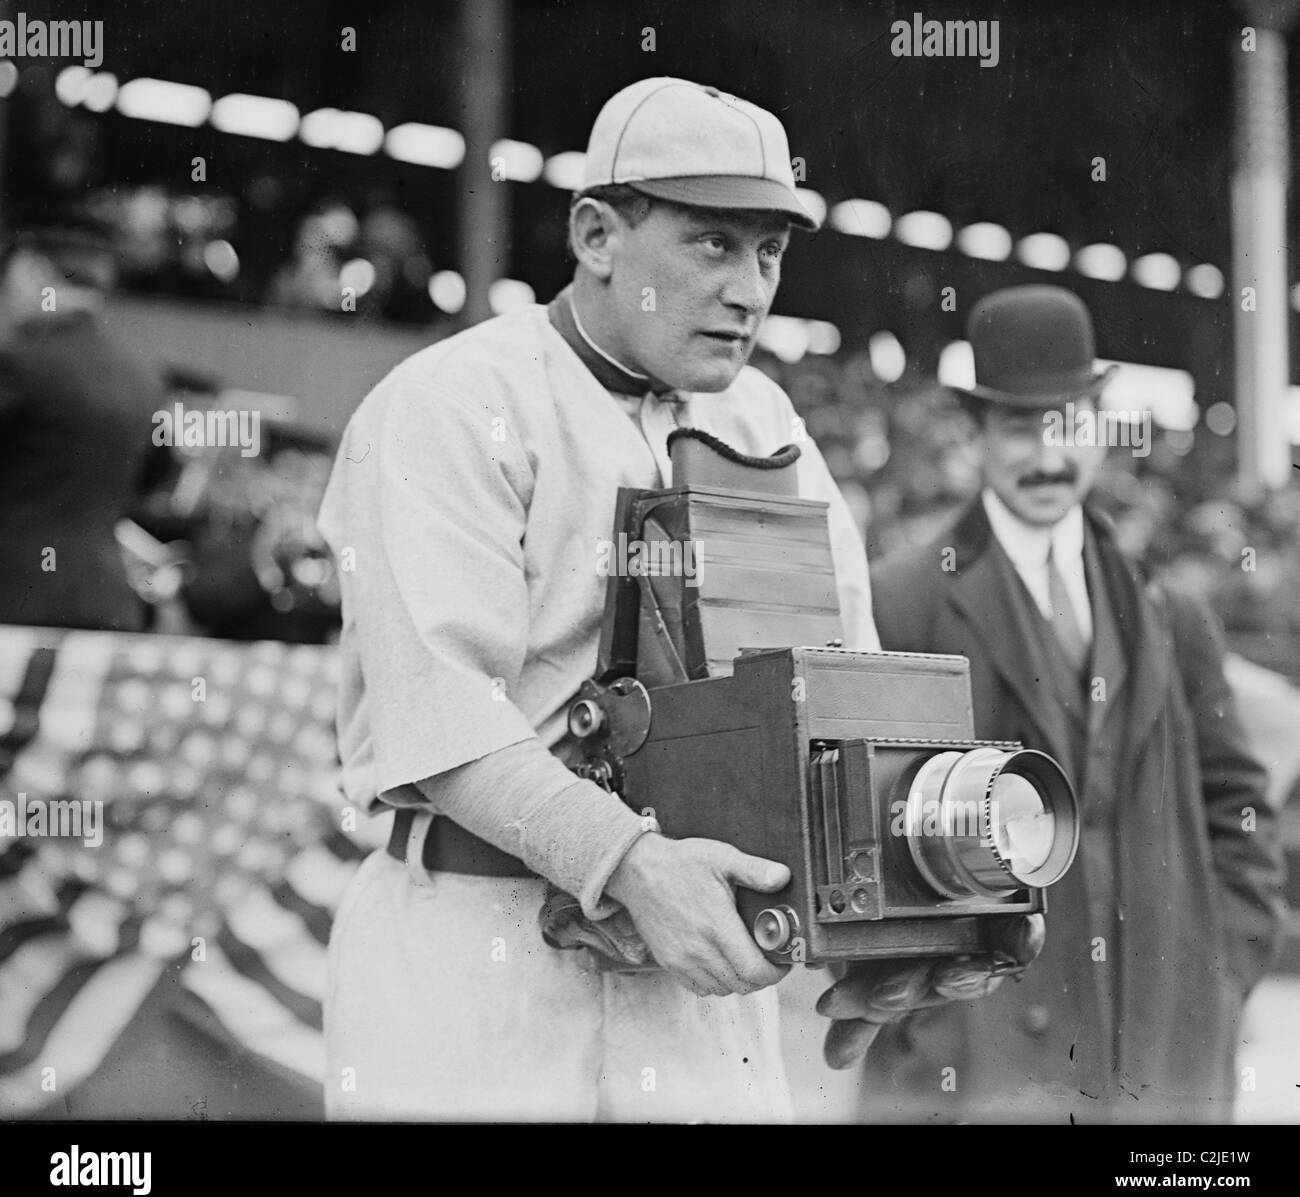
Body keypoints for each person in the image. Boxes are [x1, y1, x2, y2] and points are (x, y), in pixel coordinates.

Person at [316, 78, 1024, 1122]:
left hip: (696, 990)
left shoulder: (764, 418)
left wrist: (903, 924)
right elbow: (439, 714)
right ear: (596, 234)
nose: (751, 289)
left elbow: (845, 702)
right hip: (478, 953)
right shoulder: (451, 403)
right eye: (711, 244)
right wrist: (628, 862)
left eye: (771, 252)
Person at [855, 285, 1287, 1123]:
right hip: (981, 1065)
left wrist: (1220, 968)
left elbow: (1241, 808)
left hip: (1157, 1057)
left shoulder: (1167, 609)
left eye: (1069, 424)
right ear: (974, 434)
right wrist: (927, 1021)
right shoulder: (901, 598)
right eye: (1020, 427)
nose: (1048, 456)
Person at [0, 217, 163, 631]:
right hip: (106, 604)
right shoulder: (142, 376)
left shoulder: (21, 361)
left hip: (14, 604)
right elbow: (153, 480)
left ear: (32, 269)